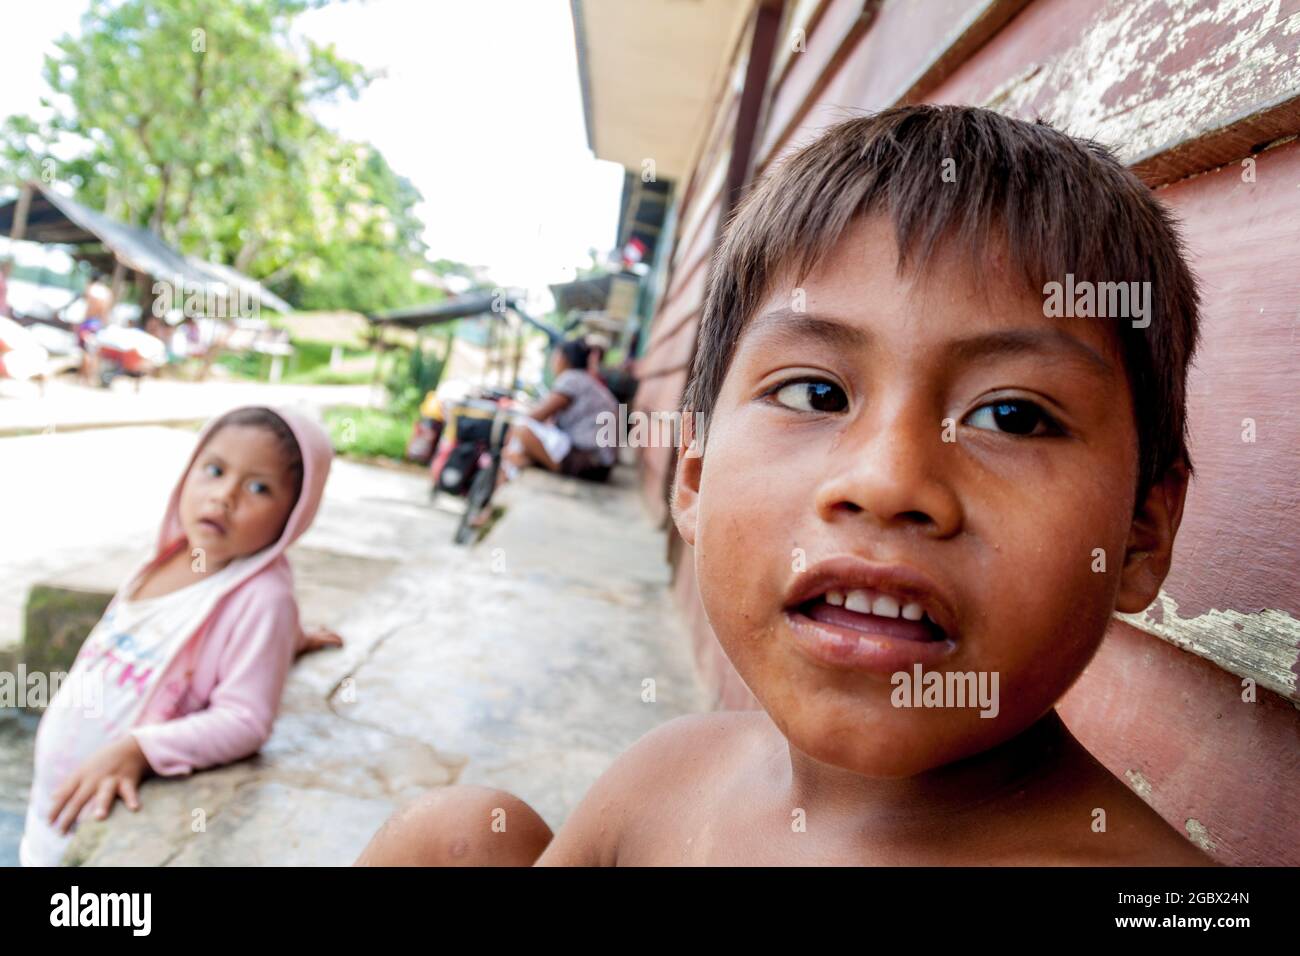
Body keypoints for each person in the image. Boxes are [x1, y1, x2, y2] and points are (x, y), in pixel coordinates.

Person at [356, 105, 1214, 866]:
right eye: (816, 393)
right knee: (452, 835)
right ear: (692, 477)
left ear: (1142, 530)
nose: (886, 482)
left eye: (1014, 417)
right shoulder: (661, 785)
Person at [21, 405, 339, 866]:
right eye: (214, 470)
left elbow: (245, 720)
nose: (224, 497)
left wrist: (140, 750)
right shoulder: (174, 554)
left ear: (294, 515)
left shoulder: (265, 599)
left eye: (258, 487)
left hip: (101, 808)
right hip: (50, 799)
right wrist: (293, 639)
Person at [502, 337, 619, 483]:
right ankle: (518, 467)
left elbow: (535, 416)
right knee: (521, 449)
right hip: (600, 464)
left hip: (588, 463)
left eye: (555, 357)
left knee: (520, 428)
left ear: (564, 359)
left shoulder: (571, 378)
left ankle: (553, 468)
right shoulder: (586, 380)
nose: (553, 362)